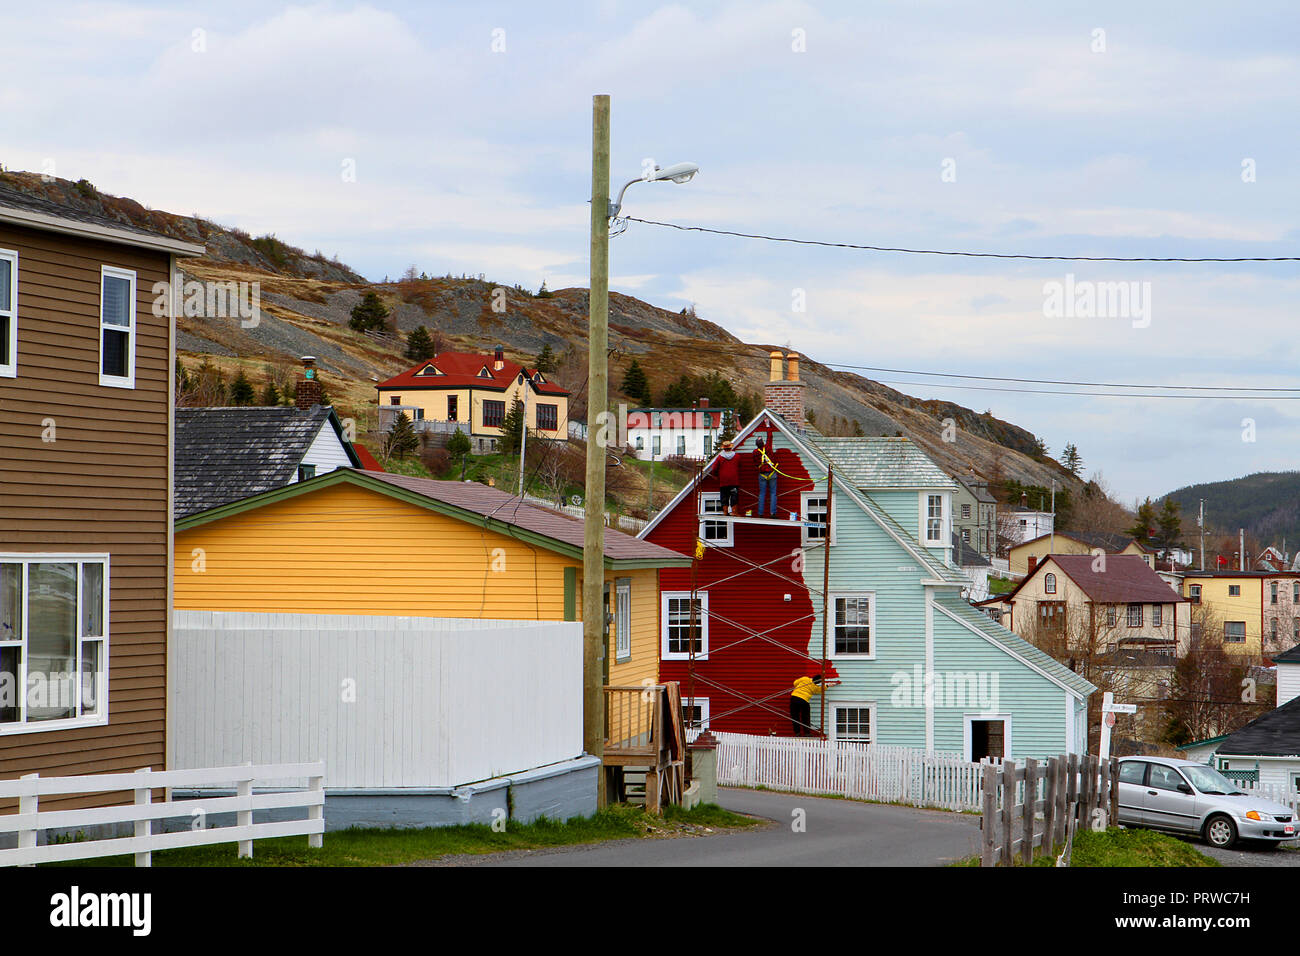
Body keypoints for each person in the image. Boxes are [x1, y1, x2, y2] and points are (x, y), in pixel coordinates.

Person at [753, 437, 778, 517]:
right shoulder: (768, 448)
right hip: (771, 473)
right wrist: (768, 426)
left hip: (762, 474)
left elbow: (756, 464)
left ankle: (760, 514)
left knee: (762, 494)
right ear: (763, 443)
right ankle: (773, 513)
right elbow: (770, 438)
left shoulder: (755, 452)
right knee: (773, 493)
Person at [715, 439, 740, 515]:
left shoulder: (719, 458)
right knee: (734, 496)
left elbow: (714, 468)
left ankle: (725, 512)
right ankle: (734, 512)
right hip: (734, 480)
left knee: (724, 497)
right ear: (731, 448)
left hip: (723, 481)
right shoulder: (737, 456)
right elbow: (739, 466)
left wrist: (716, 475)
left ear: (724, 448)